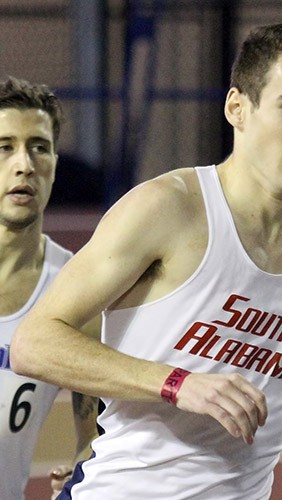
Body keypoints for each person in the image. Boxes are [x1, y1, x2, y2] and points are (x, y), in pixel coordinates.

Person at [12, 22, 282, 499]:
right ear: (237, 107)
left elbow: (274, 373)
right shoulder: (168, 209)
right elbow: (34, 343)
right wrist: (177, 383)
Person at [0, 76, 99, 500]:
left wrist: (82, 472)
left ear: (56, 163)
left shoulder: (76, 294)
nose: (24, 164)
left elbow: (98, 437)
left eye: (39, 147)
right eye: (4, 147)